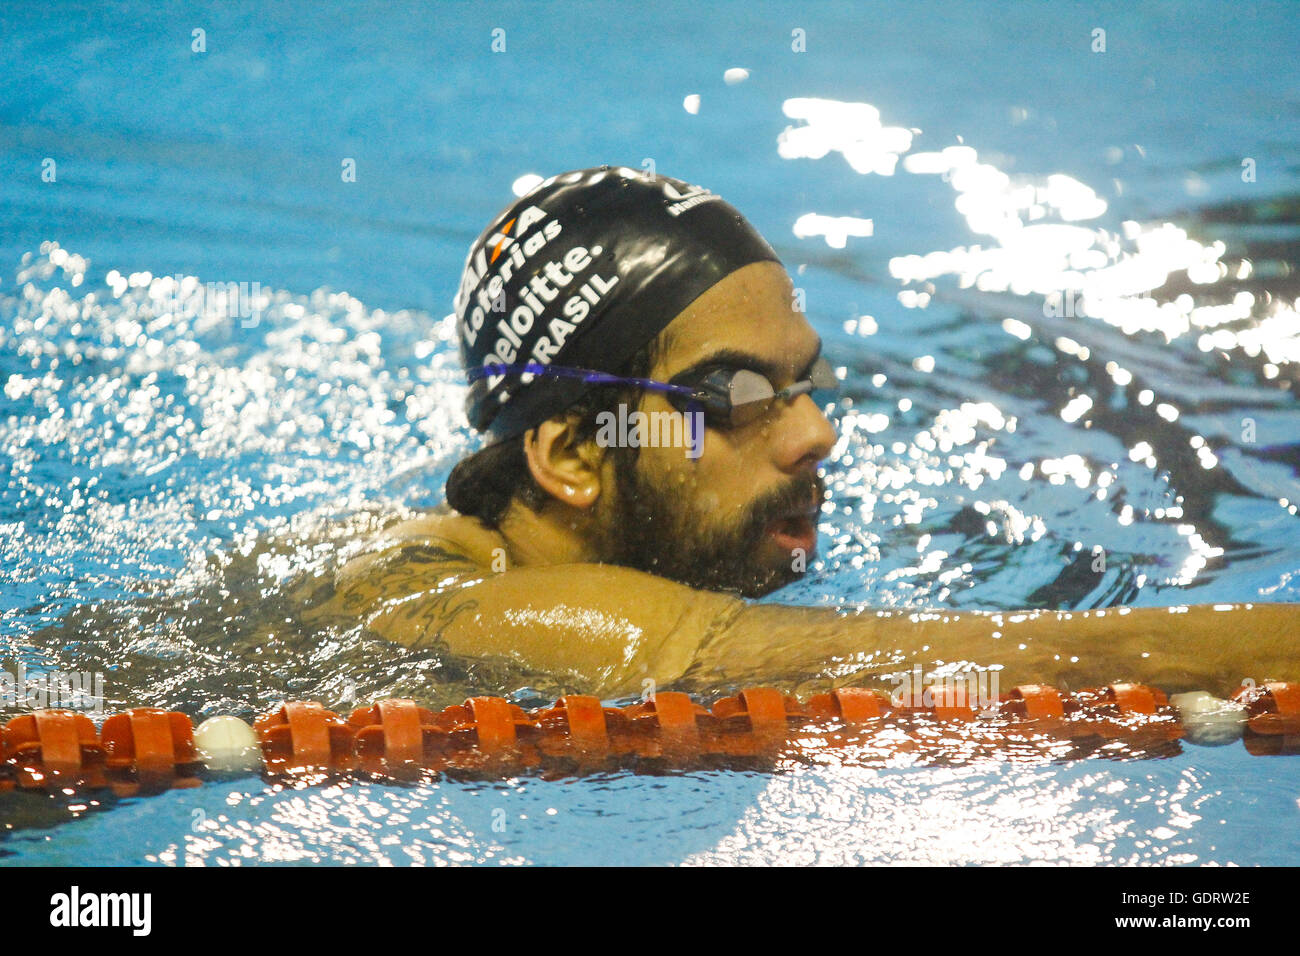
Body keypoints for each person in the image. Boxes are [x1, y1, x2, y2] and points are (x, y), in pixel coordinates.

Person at [329, 166, 1297, 698]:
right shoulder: (475, 611)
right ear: (574, 454)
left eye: (801, 380)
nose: (817, 433)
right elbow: (1051, 662)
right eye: (737, 391)